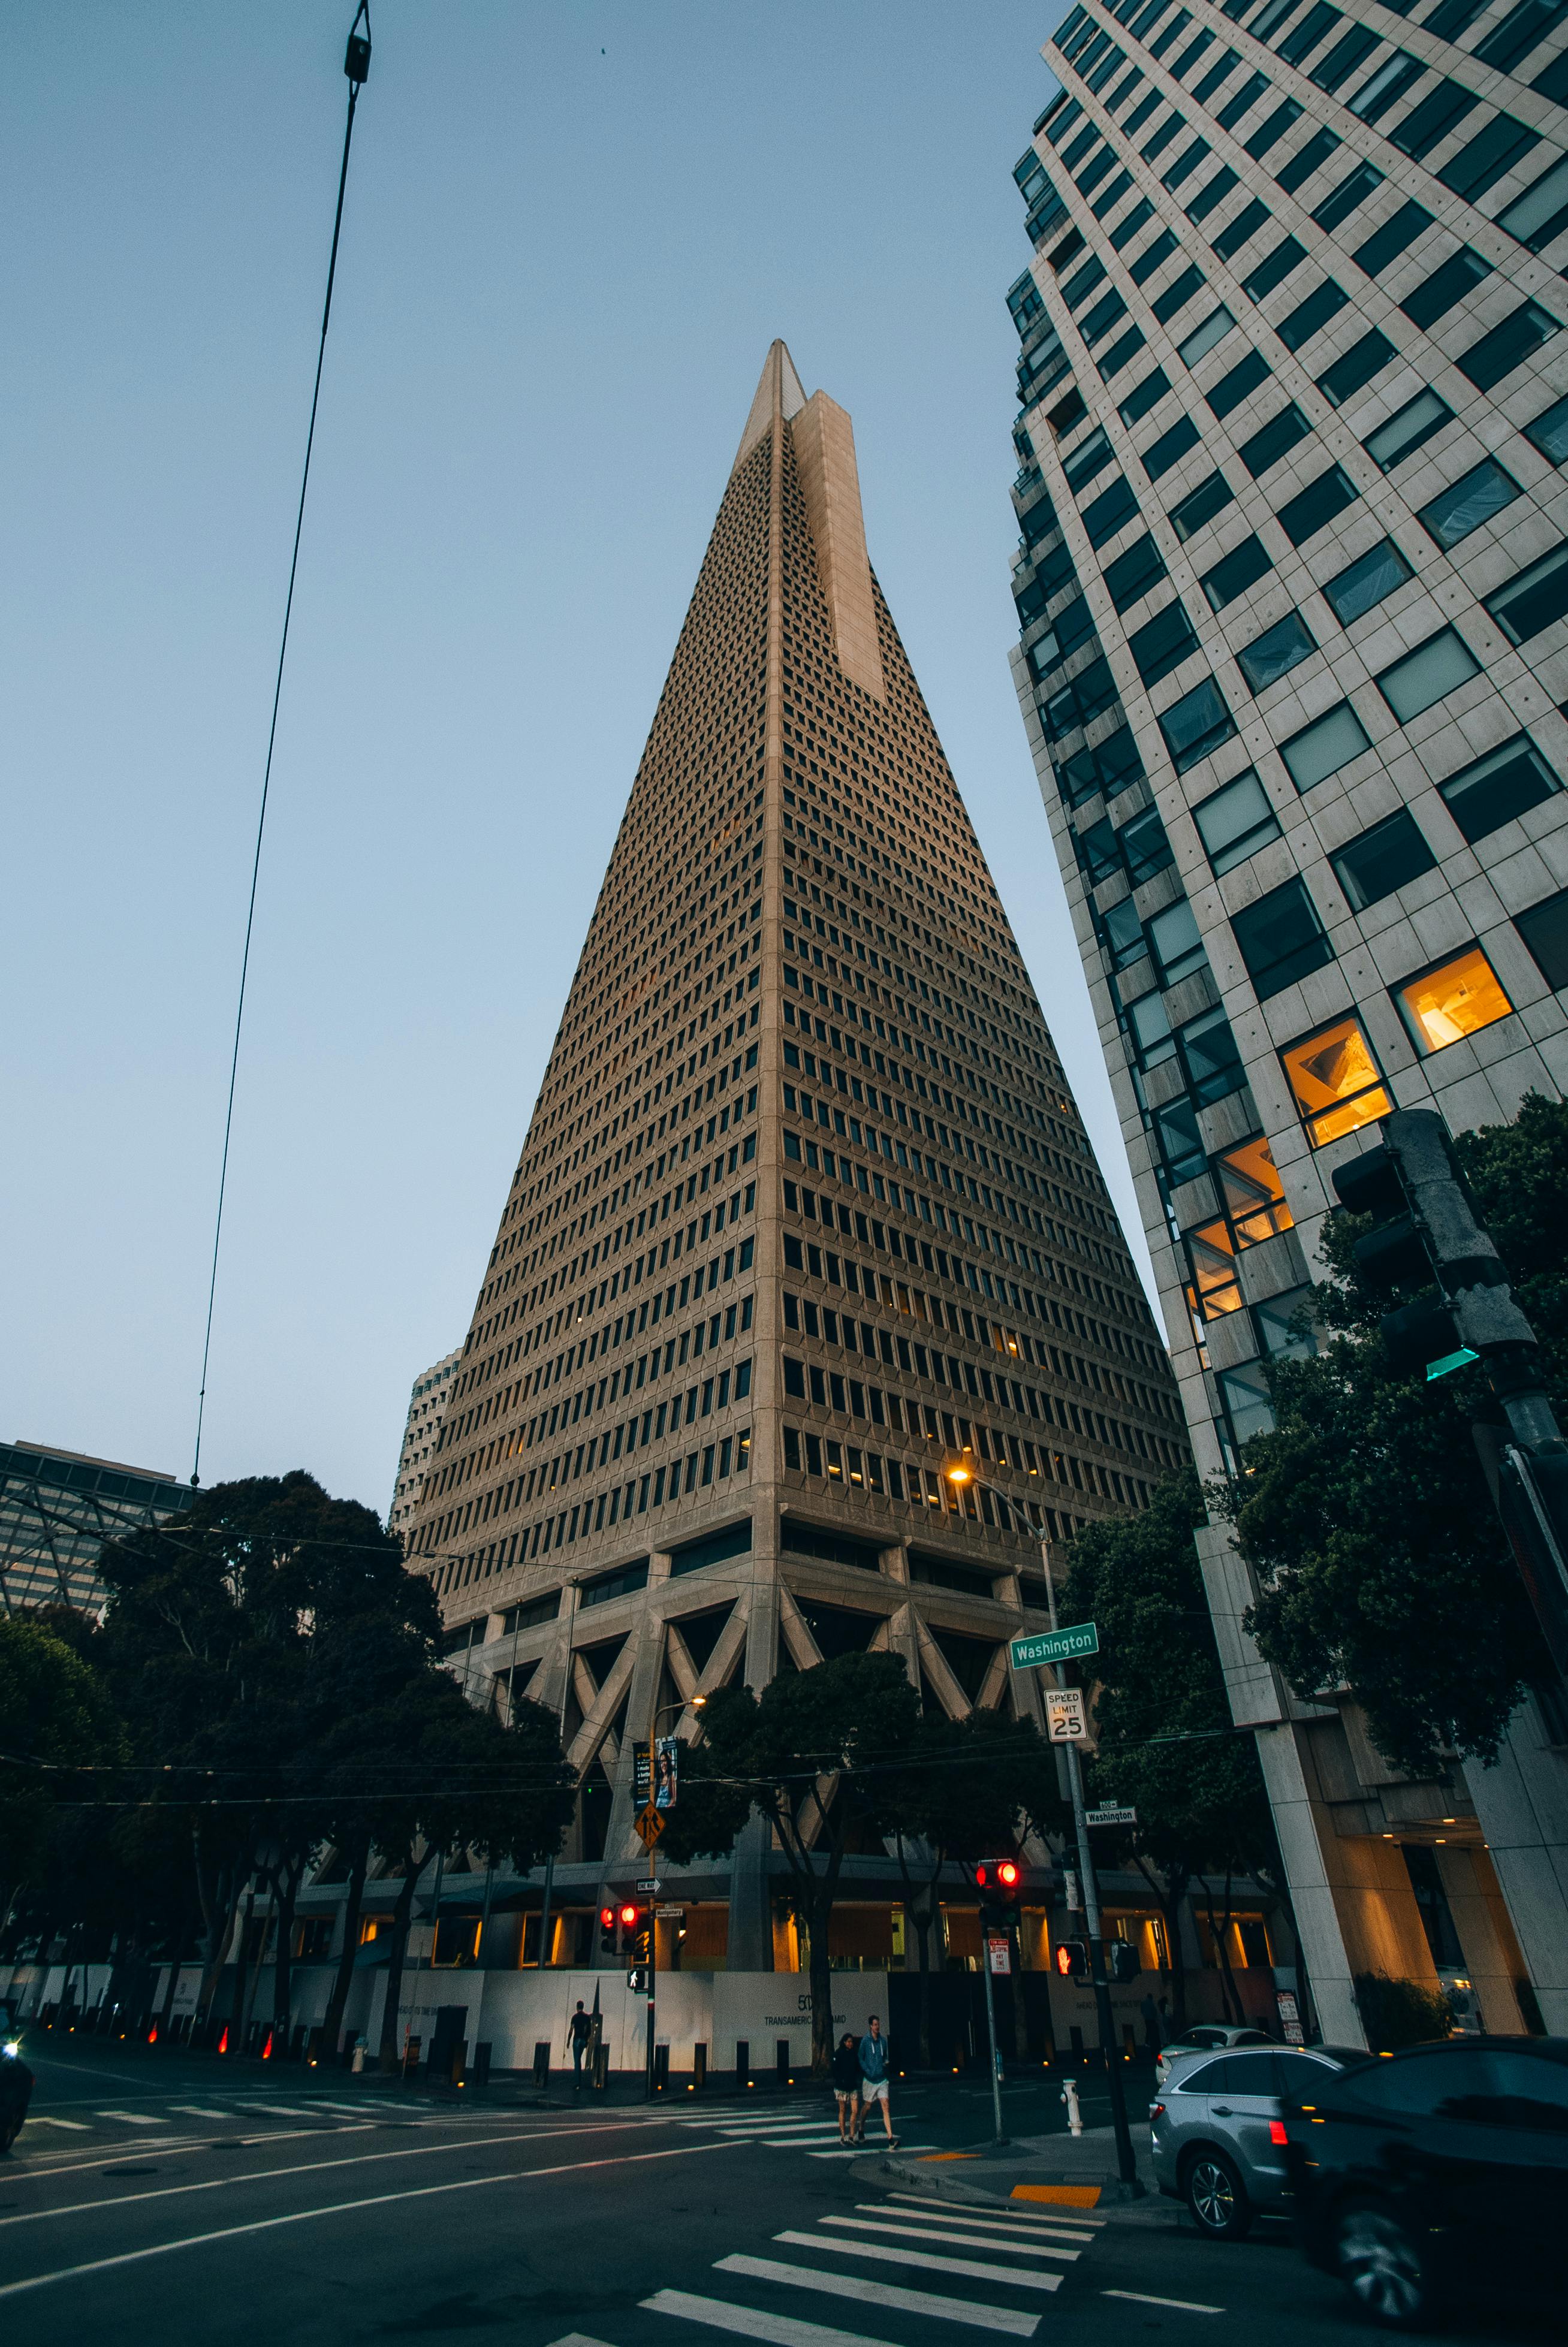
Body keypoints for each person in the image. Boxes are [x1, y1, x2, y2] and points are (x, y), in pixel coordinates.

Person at [857, 2013, 895, 2146]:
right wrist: (867, 2070)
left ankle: (890, 2138)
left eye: (878, 2024)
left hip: (882, 2079)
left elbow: (884, 2056)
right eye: (875, 2025)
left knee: (886, 2106)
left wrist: (885, 2064)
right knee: (867, 2106)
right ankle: (861, 2128)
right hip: (869, 2079)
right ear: (870, 2026)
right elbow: (861, 2057)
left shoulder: (883, 2042)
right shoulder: (865, 2042)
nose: (877, 2027)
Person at [831, 2032, 861, 2143]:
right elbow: (835, 2070)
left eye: (851, 2042)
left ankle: (852, 2134)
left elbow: (857, 2067)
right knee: (843, 2110)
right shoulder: (838, 2053)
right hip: (842, 2086)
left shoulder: (854, 2053)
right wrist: (840, 2079)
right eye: (848, 2042)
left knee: (855, 2110)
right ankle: (843, 2135)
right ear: (844, 2042)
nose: (850, 2044)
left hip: (852, 2085)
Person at [566, 1999, 593, 2089]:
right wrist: (587, 2041)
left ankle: (577, 2083)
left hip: (577, 2040)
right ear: (583, 2007)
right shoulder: (587, 2018)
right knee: (579, 2059)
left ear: (577, 2007)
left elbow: (571, 2030)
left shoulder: (575, 2017)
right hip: (583, 2040)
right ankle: (579, 2081)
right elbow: (589, 2031)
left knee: (577, 2061)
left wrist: (568, 2041)